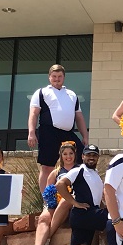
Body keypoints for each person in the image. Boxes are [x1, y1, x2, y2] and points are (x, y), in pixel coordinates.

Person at [27, 64, 88, 193]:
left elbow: (79, 117)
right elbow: (33, 114)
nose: (57, 79)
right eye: (54, 76)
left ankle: (76, 193)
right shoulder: (42, 92)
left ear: (64, 78)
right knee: (47, 167)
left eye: (60, 76)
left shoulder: (72, 94)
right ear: (49, 77)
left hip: (68, 133)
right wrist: (31, 133)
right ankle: (46, 199)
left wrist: (85, 136)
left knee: (82, 160)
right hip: (48, 132)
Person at [54, 145, 109, 245]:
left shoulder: (95, 175)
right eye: (88, 155)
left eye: (94, 155)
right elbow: (60, 184)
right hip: (83, 214)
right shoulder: (78, 170)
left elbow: (98, 199)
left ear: (97, 158)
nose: (91, 157)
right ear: (83, 156)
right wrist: (74, 202)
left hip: (89, 216)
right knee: (114, 218)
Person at [27, 141, 78, 245]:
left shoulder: (80, 170)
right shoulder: (55, 173)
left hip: (73, 205)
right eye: (65, 154)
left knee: (65, 201)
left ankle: (47, 238)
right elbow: (48, 192)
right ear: (61, 155)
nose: (68, 156)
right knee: (44, 218)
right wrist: (50, 204)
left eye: (71, 153)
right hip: (56, 203)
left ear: (75, 154)